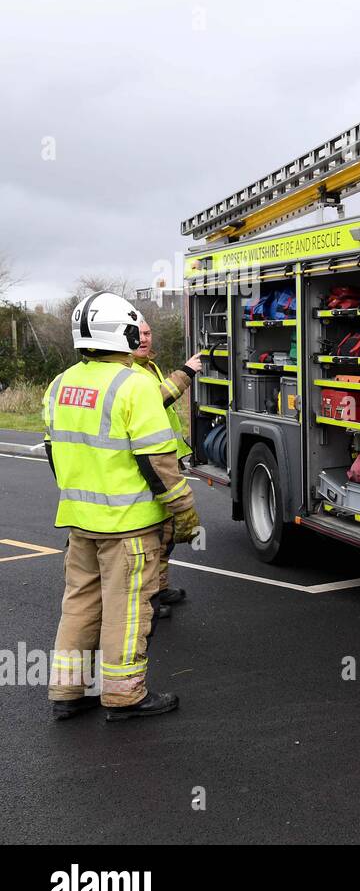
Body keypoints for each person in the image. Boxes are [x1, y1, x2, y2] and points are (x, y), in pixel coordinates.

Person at [43, 292, 200, 722]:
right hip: (128, 526)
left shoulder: (60, 384)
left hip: (80, 522)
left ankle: (68, 691)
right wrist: (183, 510)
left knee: (79, 604)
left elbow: (55, 452)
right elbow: (157, 460)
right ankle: (124, 695)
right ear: (123, 334)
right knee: (127, 610)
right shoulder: (134, 385)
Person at [132, 319, 203, 610]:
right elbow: (158, 399)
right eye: (138, 334)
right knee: (153, 537)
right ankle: (148, 600)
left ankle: (159, 589)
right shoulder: (129, 371)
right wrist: (186, 372)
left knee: (166, 534)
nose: (144, 339)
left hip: (164, 457)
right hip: (149, 463)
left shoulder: (148, 366)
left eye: (148, 333)